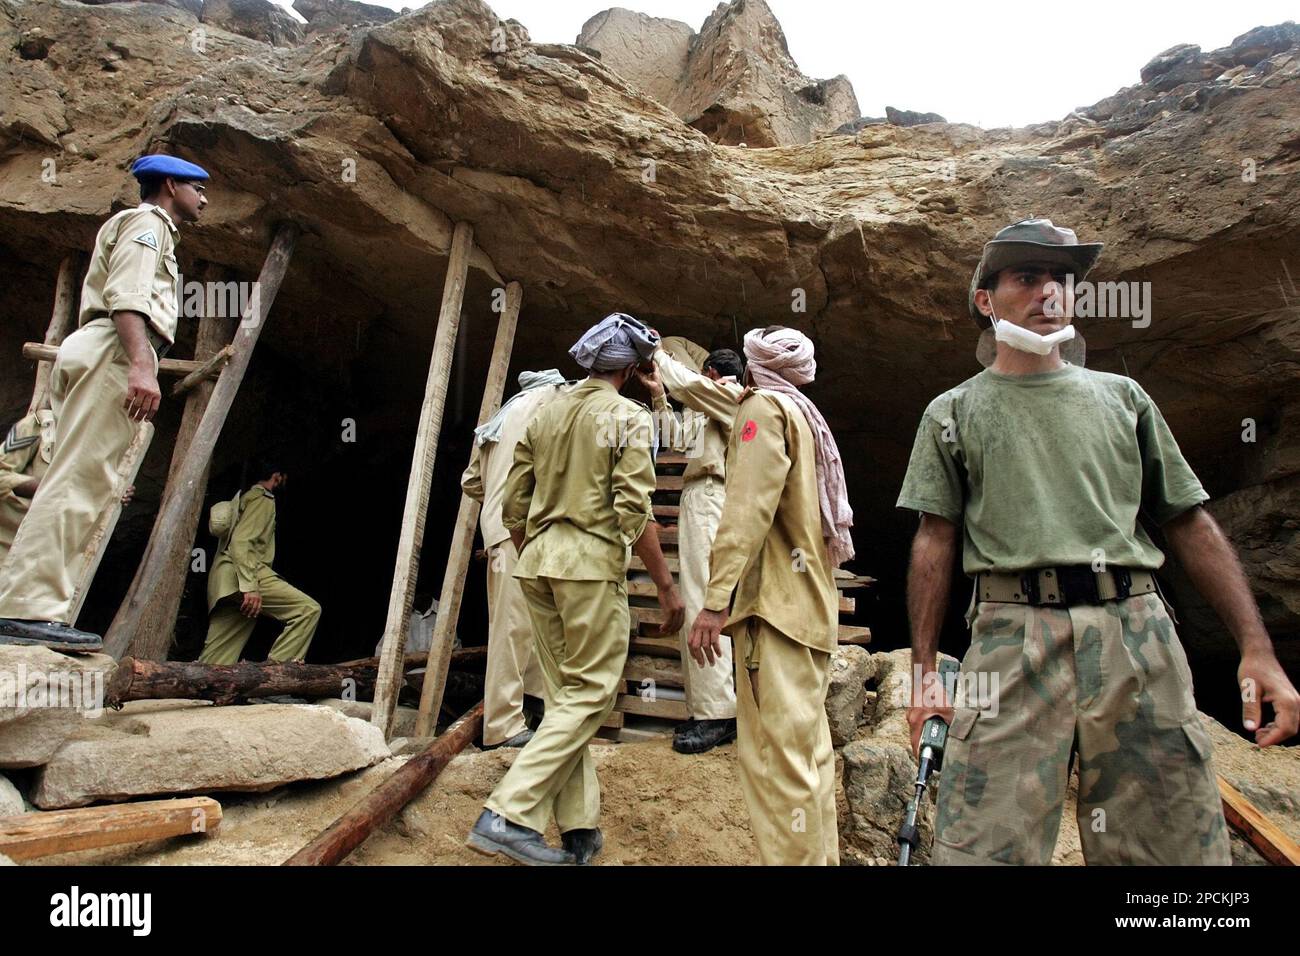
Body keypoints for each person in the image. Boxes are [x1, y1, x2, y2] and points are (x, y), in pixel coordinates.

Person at [898, 217, 1300, 865]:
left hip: (1136, 631)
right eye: (1027, 277)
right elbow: (933, 542)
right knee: (983, 846)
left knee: (1169, 853)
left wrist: (1258, 650)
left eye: (1061, 279)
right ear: (985, 300)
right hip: (1009, 639)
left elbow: (1189, 522)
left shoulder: (1124, 399)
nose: (1048, 292)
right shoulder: (953, 412)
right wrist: (924, 677)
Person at [468, 313, 684, 866]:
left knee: (567, 696)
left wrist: (538, 550)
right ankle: (508, 814)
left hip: (537, 564)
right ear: (631, 370)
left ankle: (579, 826)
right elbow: (634, 510)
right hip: (588, 569)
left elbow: (513, 504)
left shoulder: (545, 412)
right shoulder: (628, 416)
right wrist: (666, 586)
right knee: (591, 693)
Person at [0, 154, 209, 651]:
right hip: (113, 351)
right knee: (78, 480)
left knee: (81, 479)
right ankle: (25, 609)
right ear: (170, 184)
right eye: (197, 187)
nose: (204, 198)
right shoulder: (148, 223)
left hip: (101, 348)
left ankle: (27, 606)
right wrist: (141, 364)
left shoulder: (147, 227)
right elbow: (128, 296)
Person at [688, 326, 854, 865]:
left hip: (774, 613)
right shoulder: (807, 416)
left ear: (755, 366)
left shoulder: (763, 410)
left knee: (775, 768)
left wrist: (714, 602)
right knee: (810, 761)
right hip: (810, 610)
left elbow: (746, 510)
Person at [637, 338, 744, 753]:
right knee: (699, 593)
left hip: (714, 494)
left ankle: (718, 713)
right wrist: (658, 397)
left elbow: (688, 385)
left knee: (703, 598)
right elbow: (677, 439)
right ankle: (708, 708)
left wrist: (658, 355)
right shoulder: (706, 407)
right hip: (698, 496)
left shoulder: (732, 395)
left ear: (711, 374)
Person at [461, 369, 568, 748]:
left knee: (528, 622)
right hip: (518, 530)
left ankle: (533, 701)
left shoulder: (501, 417)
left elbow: (470, 481)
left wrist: (495, 498)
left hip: (500, 532)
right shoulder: (551, 402)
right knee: (513, 628)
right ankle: (502, 726)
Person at [199, 460, 321, 665]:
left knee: (217, 659)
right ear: (276, 476)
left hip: (224, 582)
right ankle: (280, 673)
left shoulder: (244, 499)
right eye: (284, 477)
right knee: (308, 610)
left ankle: (202, 680)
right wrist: (250, 587)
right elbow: (241, 542)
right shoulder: (263, 500)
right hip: (244, 575)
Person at [0, 407, 56, 564]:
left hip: (50, 559)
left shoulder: (103, 443)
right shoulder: (41, 423)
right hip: (9, 550)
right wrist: (50, 488)